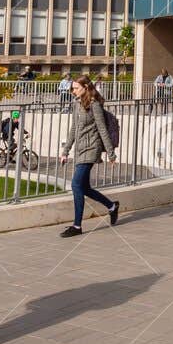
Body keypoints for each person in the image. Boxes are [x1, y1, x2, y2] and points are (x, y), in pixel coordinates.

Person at [59, 76, 120, 237]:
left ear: (86, 87)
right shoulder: (77, 104)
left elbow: (102, 130)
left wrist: (111, 154)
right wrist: (65, 151)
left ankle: (77, 226)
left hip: (92, 149)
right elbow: (73, 129)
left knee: (76, 185)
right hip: (79, 150)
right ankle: (112, 206)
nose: (73, 91)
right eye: (72, 89)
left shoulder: (95, 105)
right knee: (84, 188)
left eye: (76, 88)